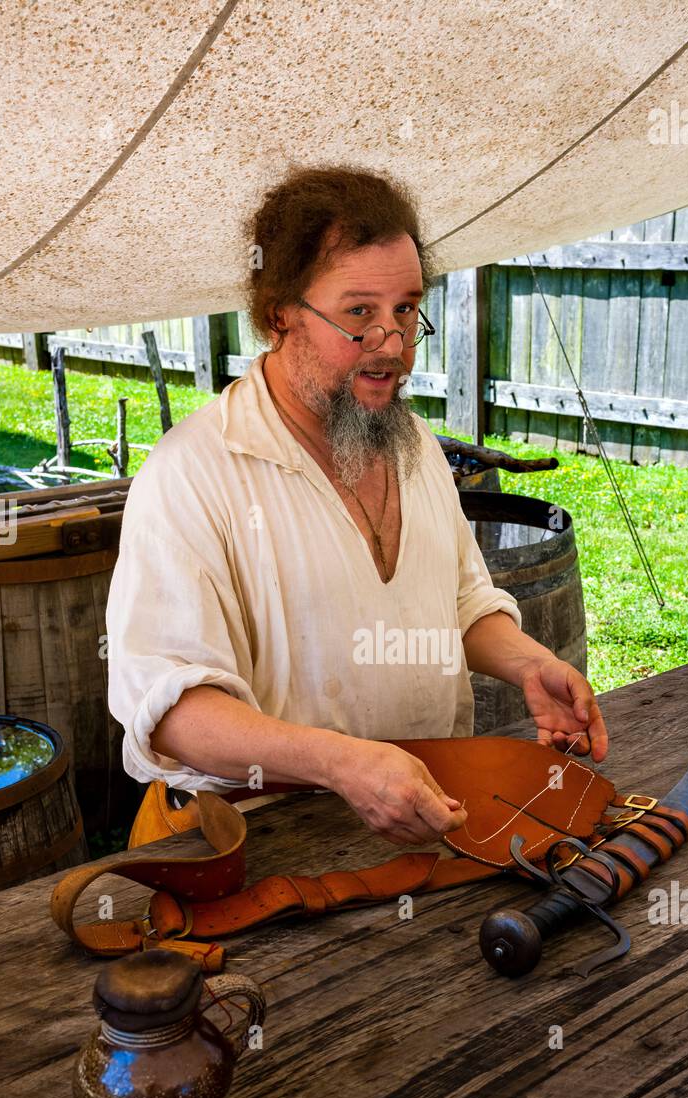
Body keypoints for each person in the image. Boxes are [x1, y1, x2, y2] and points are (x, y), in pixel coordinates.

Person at [106, 163, 608, 848]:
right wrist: (341, 764)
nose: (392, 346)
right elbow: (171, 712)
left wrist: (528, 663)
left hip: (429, 823)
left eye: (405, 309)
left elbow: (458, 604)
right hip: (262, 843)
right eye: (359, 314)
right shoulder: (193, 473)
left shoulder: (413, 446)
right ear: (279, 314)